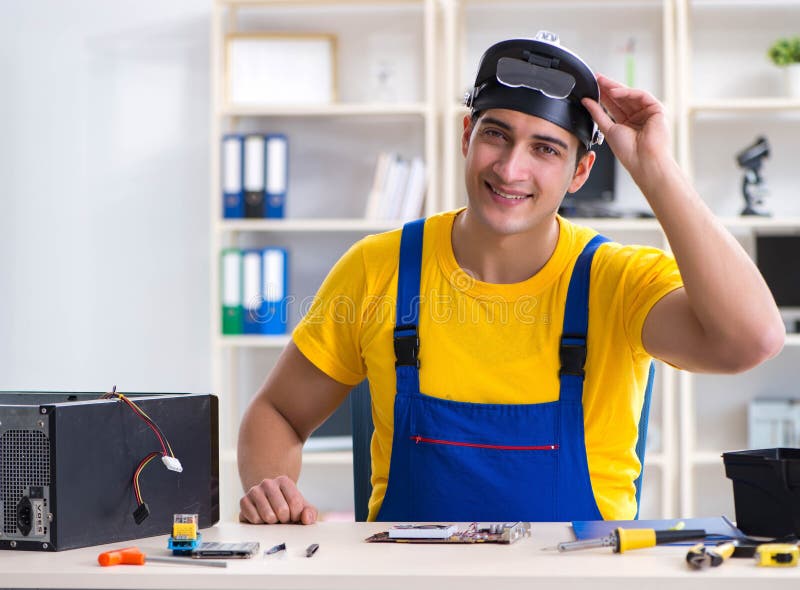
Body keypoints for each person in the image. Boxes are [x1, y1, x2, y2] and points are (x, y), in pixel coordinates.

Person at [237, 32, 785, 525]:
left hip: (577, 579)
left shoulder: (618, 281)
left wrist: (657, 170)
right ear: (467, 137)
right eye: (497, 135)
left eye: (545, 148)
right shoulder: (378, 268)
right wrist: (273, 489)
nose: (510, 168)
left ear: (580, 171)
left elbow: (753, 339)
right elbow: (277, 413)